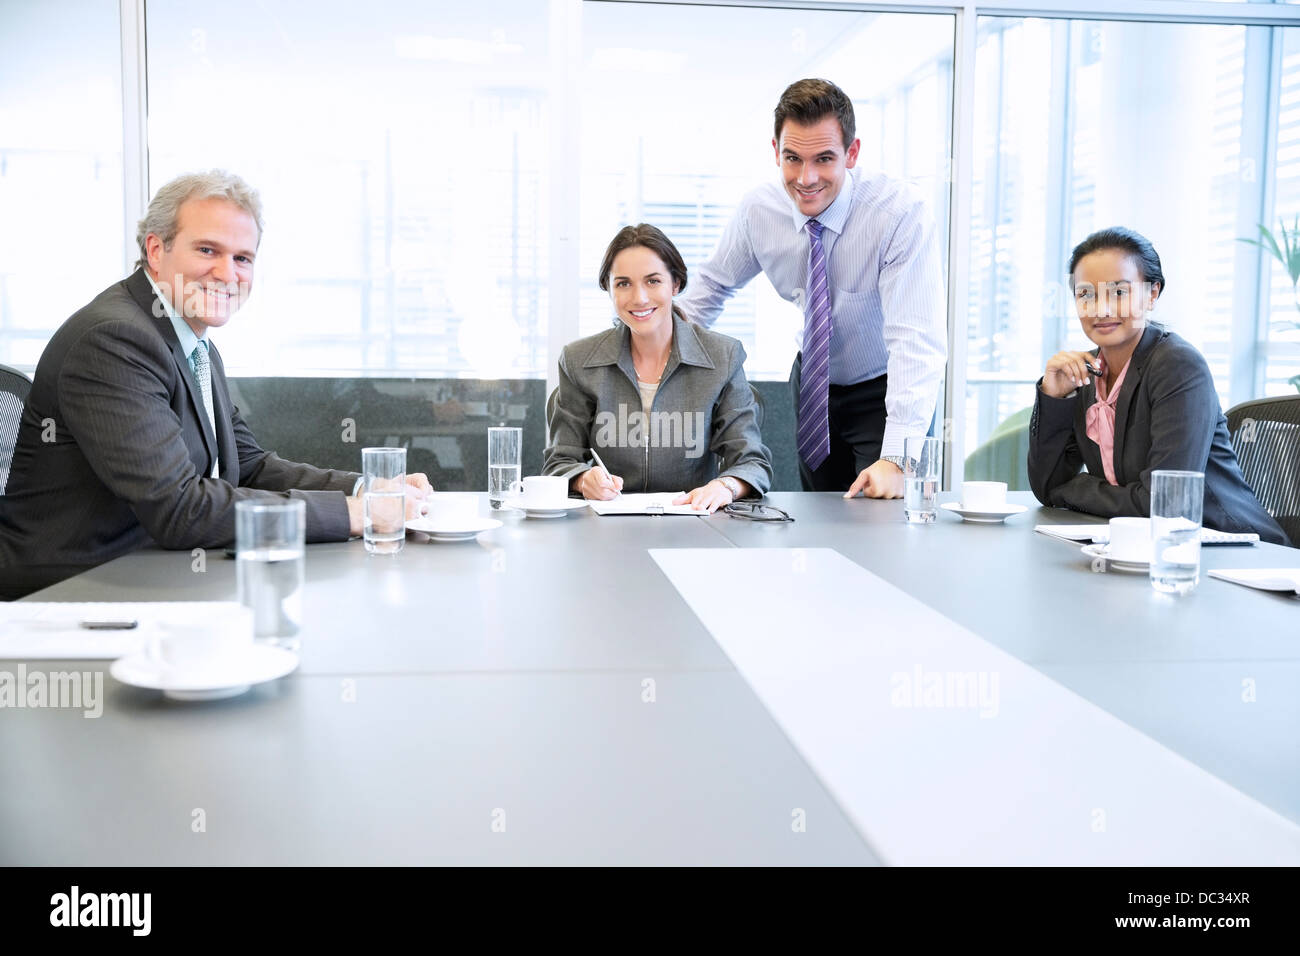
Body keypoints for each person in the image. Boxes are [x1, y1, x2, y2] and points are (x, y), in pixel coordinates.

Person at [0, 170, 432, 599]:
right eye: (207, 249)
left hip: (153, 572)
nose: (228, 273)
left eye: (243, 258)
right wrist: (356, 515)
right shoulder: (114, 340)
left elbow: (247, 465)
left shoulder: (190, 340)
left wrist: (367, 489)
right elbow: (178, 508)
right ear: (156, 248)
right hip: (71, 595)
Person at [676, 77, 946, 499]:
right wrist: (645, 342)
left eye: (823, 158)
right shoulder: (759, 212)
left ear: (851, 154)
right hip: (813, 386)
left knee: (885, 522)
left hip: (886, 388)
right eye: (792, 159)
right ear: (775, 152)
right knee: (819, 517)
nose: (806, 178)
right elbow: (710, 287)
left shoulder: (898, 214)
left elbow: (915, 340)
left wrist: (897, 459)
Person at [1028, 226, 1288, 545]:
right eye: (1086, 294)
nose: (1101, 309)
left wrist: (1076, 490)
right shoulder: (1086, 371)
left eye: (1119, 292)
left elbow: (1164, 507)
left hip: (1230, 553)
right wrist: (1055, 396)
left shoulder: (1177, 366)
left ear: (1152, 293)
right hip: (1141, 549)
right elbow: (1047, 488)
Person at [544, 223, 772, 512]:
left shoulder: (722, 356)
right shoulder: (579, 360)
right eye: (623, 283)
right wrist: (581, 478)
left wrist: (724, 486)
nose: (639, 298)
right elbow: (559, 462)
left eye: (653, 281)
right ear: (609, 289)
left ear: (675, 284)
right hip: (607, 531)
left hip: (694, 526)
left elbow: (752, 463)